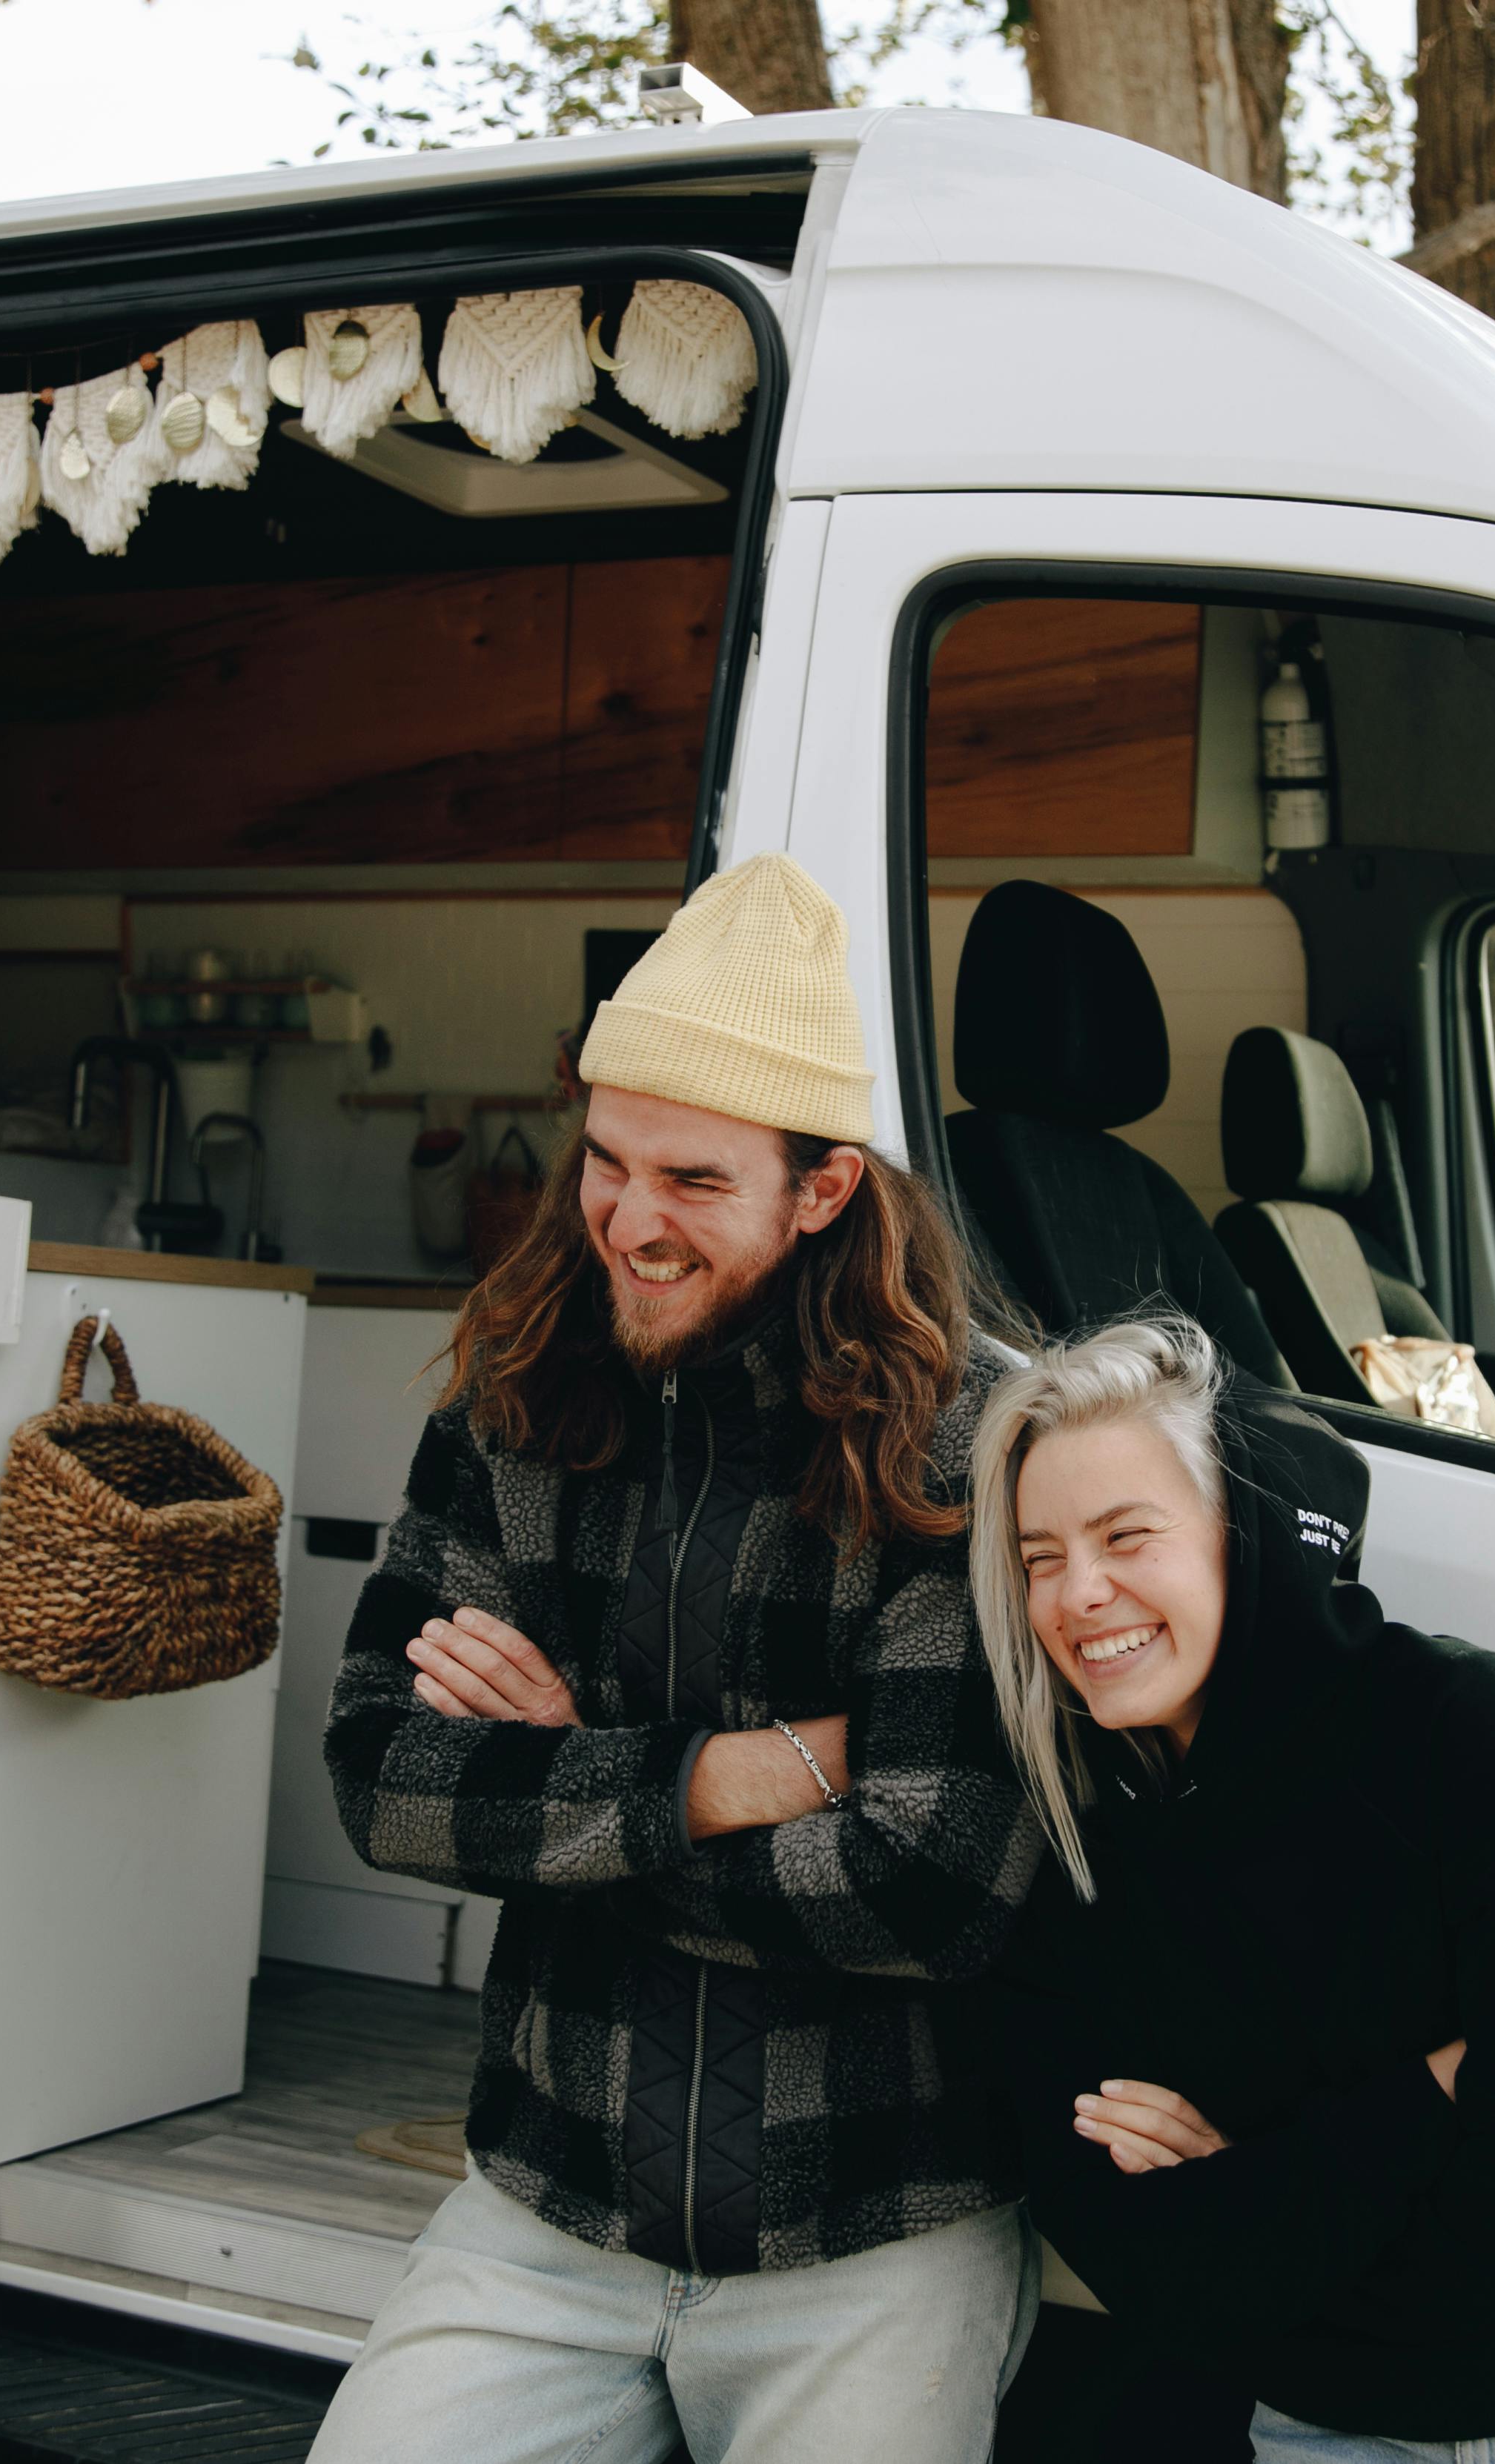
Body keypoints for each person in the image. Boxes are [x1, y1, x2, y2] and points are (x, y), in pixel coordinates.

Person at [315, 853, 1045, 2464]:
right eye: (608, 1161)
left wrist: (565, 1795)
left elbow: (936, 1884)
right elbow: (382, 1783)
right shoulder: (512, 1401)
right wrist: (737, 1771)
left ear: (825, 1188)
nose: (627, 1223)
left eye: (694, 1182)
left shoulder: (966, 1444)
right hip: (546, 2211)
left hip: (879, 2232)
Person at [970, 1318, 1495, 2463]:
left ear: (1245, 1536)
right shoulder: (1065, 1845)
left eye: (1127, 1536)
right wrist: (1434, 2088)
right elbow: (1158, 2265)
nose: (1079, 1594)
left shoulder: (1473, 1734)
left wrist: (1260, 2179)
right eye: (1040, 1557)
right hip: (1340, 2433)